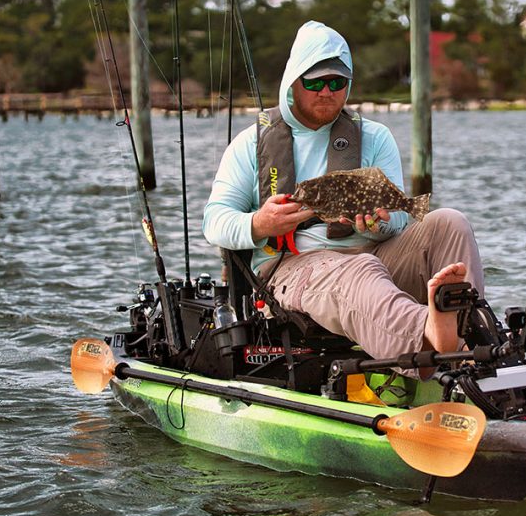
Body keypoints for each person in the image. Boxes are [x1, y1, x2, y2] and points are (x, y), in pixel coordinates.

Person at [202, 21, 485, 368]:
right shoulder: (251, 144)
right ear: (293, 83)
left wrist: (374, 227)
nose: (326, 91)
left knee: (449, 222)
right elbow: (213, 221)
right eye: (315, 82)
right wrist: (260, 224)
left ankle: (473, 332)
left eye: (337, 82)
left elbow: (397, 220)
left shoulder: (374, 136)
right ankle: (435, 345)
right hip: (291, 268)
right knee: (359, 267)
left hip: (374, 253)